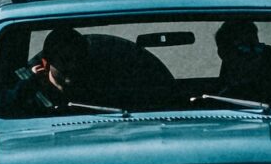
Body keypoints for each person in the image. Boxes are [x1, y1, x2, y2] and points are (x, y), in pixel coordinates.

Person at [31, 23, 175, 111]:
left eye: (79, 58)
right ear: (46, 63)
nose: (74, 65)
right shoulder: (32, 94)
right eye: (65, 60)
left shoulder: (104, 87)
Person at [214, 15, 271, 102]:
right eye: (244, 48)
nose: (255, 56)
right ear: (225, 54)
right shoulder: (222, 100)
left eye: (258, 47)